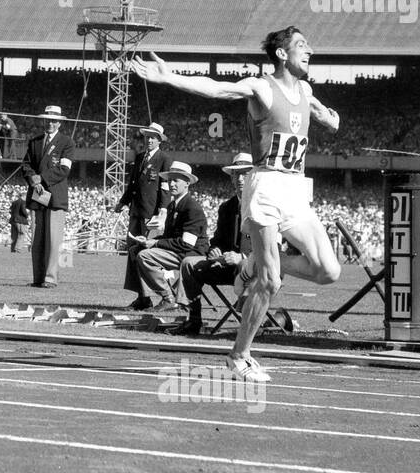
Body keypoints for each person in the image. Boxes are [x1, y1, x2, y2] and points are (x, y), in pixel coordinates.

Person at [134, 26, 342, 381]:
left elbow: (331, 120)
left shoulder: (305, 90)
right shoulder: (261, 86)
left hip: (296, 189)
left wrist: (327, 117)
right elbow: (216, 87)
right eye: (302, 46)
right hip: (267, 186)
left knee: (328, 271)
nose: (310, 51)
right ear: (281, 53)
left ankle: (253, 264)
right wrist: (170, 78)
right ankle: (239, 355)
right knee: (271, 281)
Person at [172, 152, 253, 336]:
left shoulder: (264, 205)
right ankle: (193, 319)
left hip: (253, 268)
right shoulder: (226, 207)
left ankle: (249, 324)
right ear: (231, 178)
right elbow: (218, 240)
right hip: (226, 266)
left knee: (244, 264)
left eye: (245, 174)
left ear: (253, 176)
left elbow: (270, 247)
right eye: (236, 175)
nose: (240, 179)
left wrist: (241, 257)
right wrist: (214, 249)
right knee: (189, 263)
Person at [123, 161, 207, 313]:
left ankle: (169, 298)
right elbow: (170, 236)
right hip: (179, 251)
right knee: (135, 250)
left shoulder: (192, 207)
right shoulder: (173, 205)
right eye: (170, 180)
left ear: (187, 183)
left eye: (176, 180)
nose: (172, 184)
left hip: (192, 254)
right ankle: (144, 298)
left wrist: (155, 243)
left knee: (145, 256)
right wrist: (148, 241)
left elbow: (187, 243)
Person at [22, 104, 73, 288]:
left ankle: (51, 278)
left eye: (53, 120)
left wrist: (41, 178)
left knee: (54, 240)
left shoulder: (66, 142)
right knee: (37, 240)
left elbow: (64, 169)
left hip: (55, 196)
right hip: (37, 194)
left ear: (59, 123)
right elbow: (26, 164)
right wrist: (33, 181)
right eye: (47, 120)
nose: (50, 123)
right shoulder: (35, 141)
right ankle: (38, 278)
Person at [111, 121, 171, 239]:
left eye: (152, 138)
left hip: (151, 211)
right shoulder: (139, 157)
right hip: (135, 210)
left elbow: (165, 187)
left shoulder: (164, 158)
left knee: (146, 245)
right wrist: (123, 201)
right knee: (132, 244)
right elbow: (133, 184)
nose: (149, 141)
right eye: (147, 137)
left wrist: (163, 209)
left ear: (159, 140)